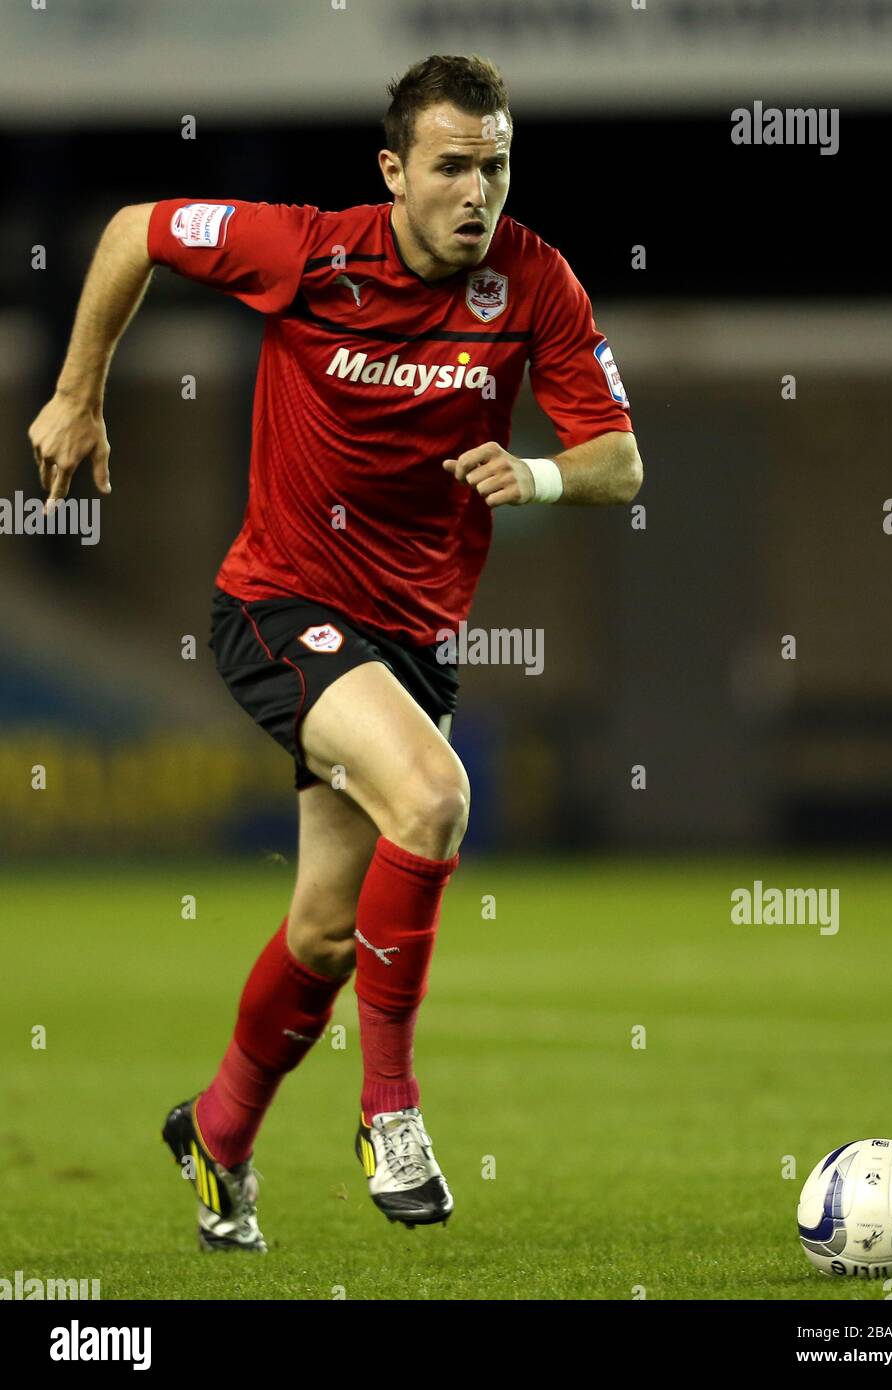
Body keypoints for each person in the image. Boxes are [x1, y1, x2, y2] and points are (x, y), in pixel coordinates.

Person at [27, 53, 642, 1253]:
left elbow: (622, 460)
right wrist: (78, 389)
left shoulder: (536, 282)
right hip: (279, 604)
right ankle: (391, 1110)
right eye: (453, 166)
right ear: (394, 172)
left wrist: (540, 473)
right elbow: (132, 229)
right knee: (437, 793)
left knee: (320, 930)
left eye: (497, 165)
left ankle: (216, 1132)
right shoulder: (306, 250)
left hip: (409, 644)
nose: (479, 192)